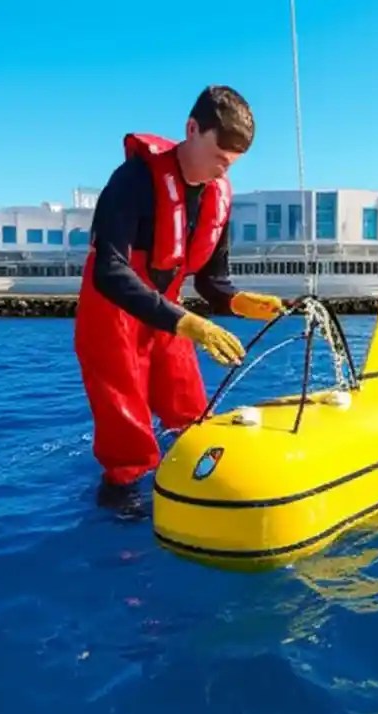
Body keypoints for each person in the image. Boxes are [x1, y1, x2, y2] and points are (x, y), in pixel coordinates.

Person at [74, 85, 285, 489]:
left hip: (169, 315)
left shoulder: (217, 195)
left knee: (191, 417)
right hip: (112, 318)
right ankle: (123, 522)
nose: (224, 171)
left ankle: (194, 489)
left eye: (233, 163)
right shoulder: (132, 180)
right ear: (192, 129)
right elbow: (108, 271)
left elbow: (211, 280)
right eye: (220, 159)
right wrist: (191, 325)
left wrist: (239, 301)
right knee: (129, 443)